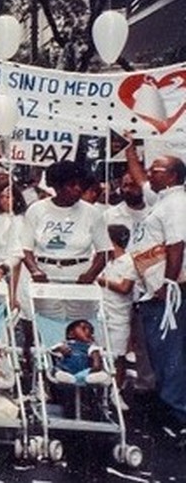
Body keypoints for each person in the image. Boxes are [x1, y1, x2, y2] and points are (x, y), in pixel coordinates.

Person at [125, 151, 186, 429]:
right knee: (160, 352)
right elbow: (140, 179)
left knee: (168, 354)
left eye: (157, 170)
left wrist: (169, 283)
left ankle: (178, 416)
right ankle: (172, 410)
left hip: (167, 294)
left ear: (173, 176)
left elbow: (177, 244)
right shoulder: (163, 200)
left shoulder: (177, 204)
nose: (150, 173)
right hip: (154, 291)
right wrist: (129, 152)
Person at [19, 161, 111, 286]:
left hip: (79, 277)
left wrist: (90, 275)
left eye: (81, 185)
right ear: (57, 186)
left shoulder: (92, 212)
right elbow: (25, 248)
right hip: (45, 277)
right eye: (72, 185)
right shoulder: (36, 209)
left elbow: (105, 251)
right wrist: (35, 271)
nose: (78, 189)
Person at [98, 224, 137, 398]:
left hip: (119, 315)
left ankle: (116, 393)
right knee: (98, 352)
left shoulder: (129, 261)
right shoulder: (104, 260)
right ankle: (99, 393)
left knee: (118, 356)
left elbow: (125, 288)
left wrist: (102, 280)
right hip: (101, 312)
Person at [51, 319, 110, 385]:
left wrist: (96, 363)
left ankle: (90, 377)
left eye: (91, 332)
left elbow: (95, 354)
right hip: (66, 369)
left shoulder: (90, 347)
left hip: (85, 371)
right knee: (57, 369)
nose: (88, 332)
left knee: (91, 369)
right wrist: (60, 349)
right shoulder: (64, 344)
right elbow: (52, 351)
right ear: (71, 334)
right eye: (84, 329)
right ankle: (65, 376)